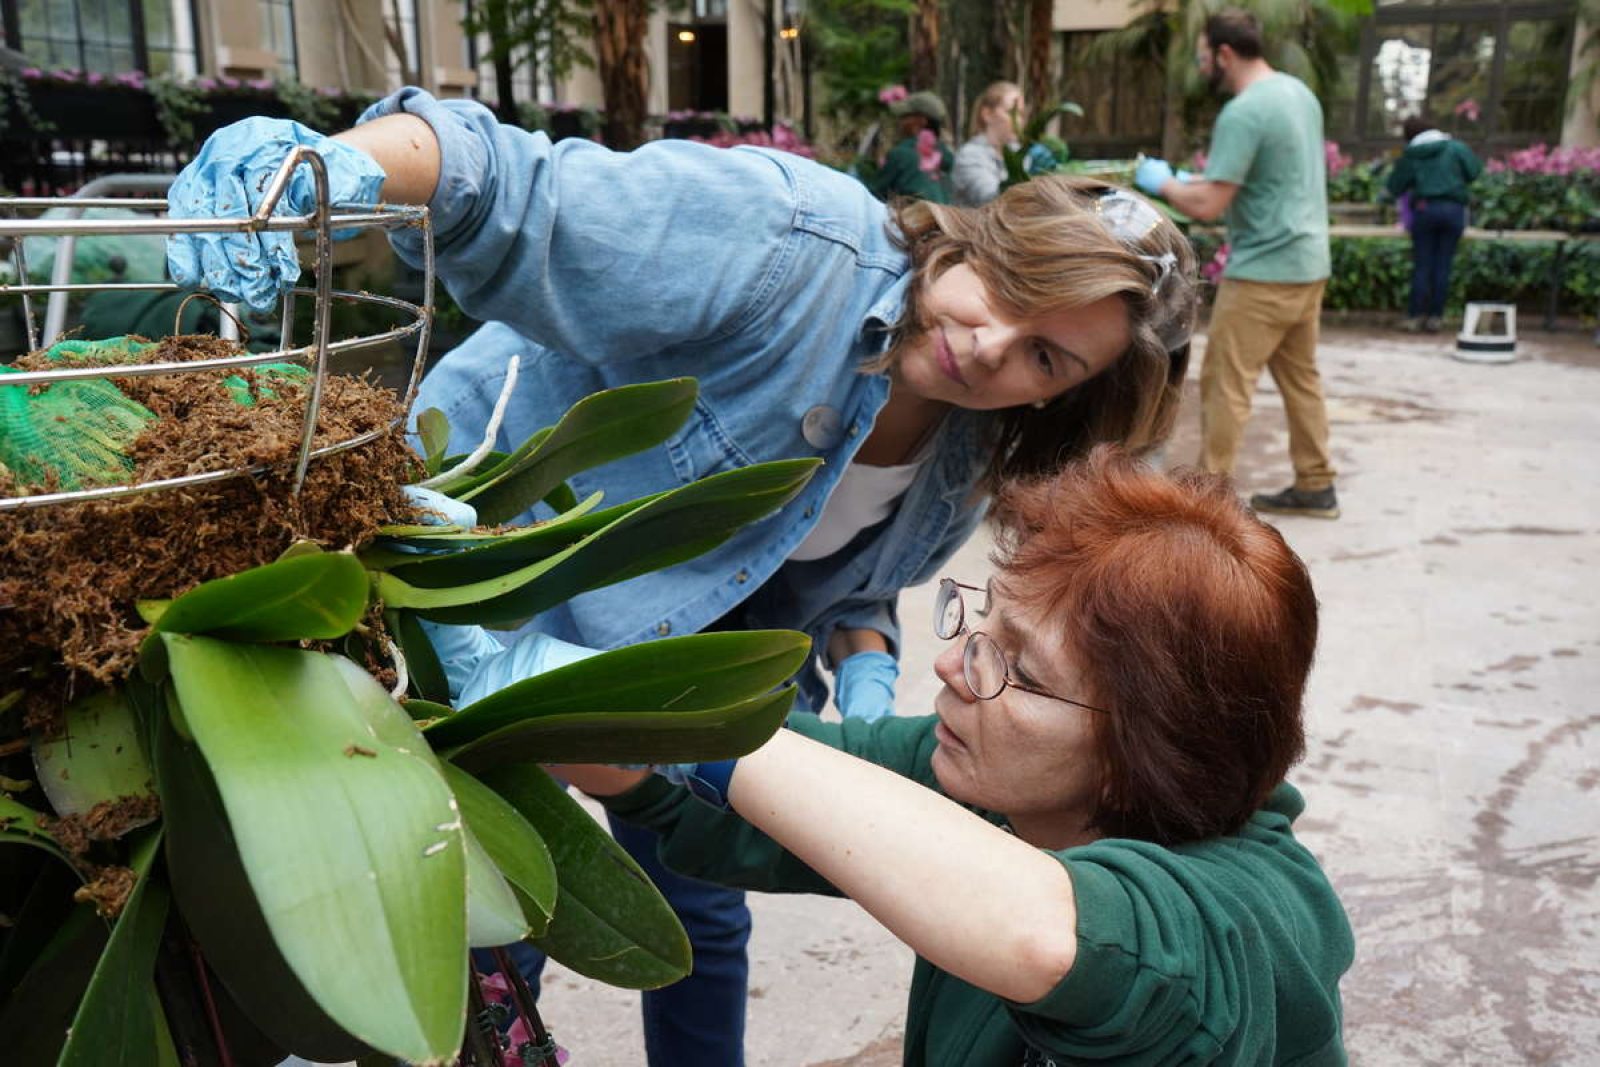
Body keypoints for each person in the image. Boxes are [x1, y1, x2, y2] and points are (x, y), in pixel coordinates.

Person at [164, 92, 1197, 1066]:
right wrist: (332, 165)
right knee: (483, 919)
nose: (993, 345)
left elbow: (837, 569)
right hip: (477, 615)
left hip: (667, 675)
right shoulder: (793, 242)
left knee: (694, 911)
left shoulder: (972, 445)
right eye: (1014, 293)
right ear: (991, 234)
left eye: (1048, 358)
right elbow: (521, 194)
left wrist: (865, 656)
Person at [556, 446, 1356, 1064]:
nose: (949, 666)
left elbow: (1049, 934)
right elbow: (779, 789)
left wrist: (726, 754)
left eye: (1021, 667)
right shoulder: (1007, 779)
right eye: (981, 625)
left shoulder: (1252, 915)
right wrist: (552, 709)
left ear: (1138, 753)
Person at [1134, 8, 1340, 520]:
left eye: (1204, 56)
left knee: (1227, 383)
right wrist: (1188, 178)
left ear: (1224, 54)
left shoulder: (1244, 111)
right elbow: (1256, 179)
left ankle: (1207, 502)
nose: (1203, 66)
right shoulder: (1297, 93)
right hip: (1309, 262)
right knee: (1301, 380)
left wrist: (1161, 183)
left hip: (1265, 270)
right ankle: (1315, 483)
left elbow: (1207, 206)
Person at [1386, 114, 1482, 334]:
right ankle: (1435, 318)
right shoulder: (1456, 148)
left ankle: (1414, 317)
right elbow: (1475, 171)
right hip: (1454, 211)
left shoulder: (1411, 154)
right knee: (1443, 265)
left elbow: (1394, 186)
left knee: (1423, 265)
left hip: (1424, 210)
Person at [870, 90, 955, 203]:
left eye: (905, 116)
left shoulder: (901, 155)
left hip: (915, 218)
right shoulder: (950, 158)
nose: (900, 122)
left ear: (921, 120)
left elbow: (873, 197)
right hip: (947, 219)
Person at [952, 81, 1025, 207]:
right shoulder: (970, 155)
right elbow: (989, 201)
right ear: (987, 114)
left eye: (1021, 114)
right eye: (1011, 112)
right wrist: (1021, 179)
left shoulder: (1020, 152)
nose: (1018, 120)